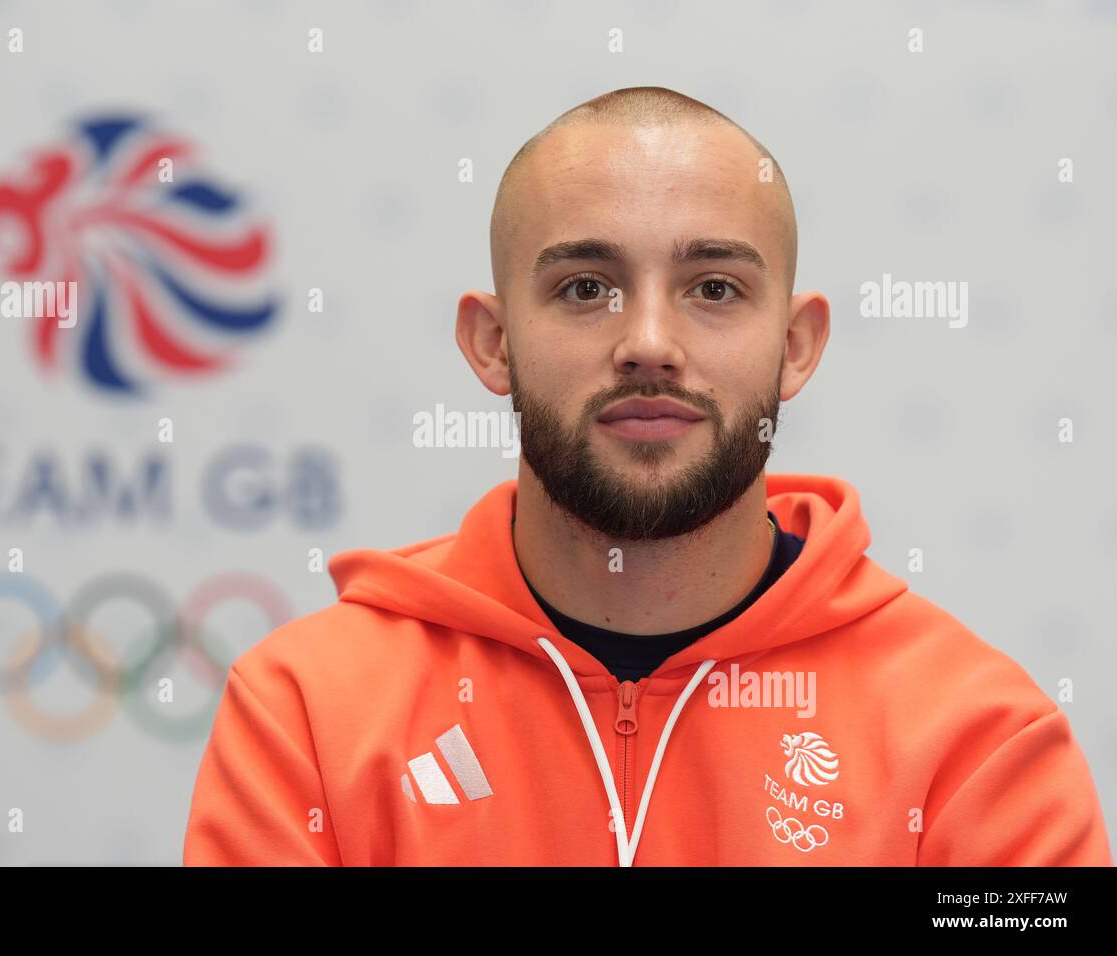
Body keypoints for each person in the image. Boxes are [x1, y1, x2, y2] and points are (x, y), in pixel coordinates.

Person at [183, 86, 1112, 866]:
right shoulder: (306, 712)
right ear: (493, 343)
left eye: (714, 288)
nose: (650, 346)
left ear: (795, 347)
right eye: (586, 288)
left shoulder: (979, 741)